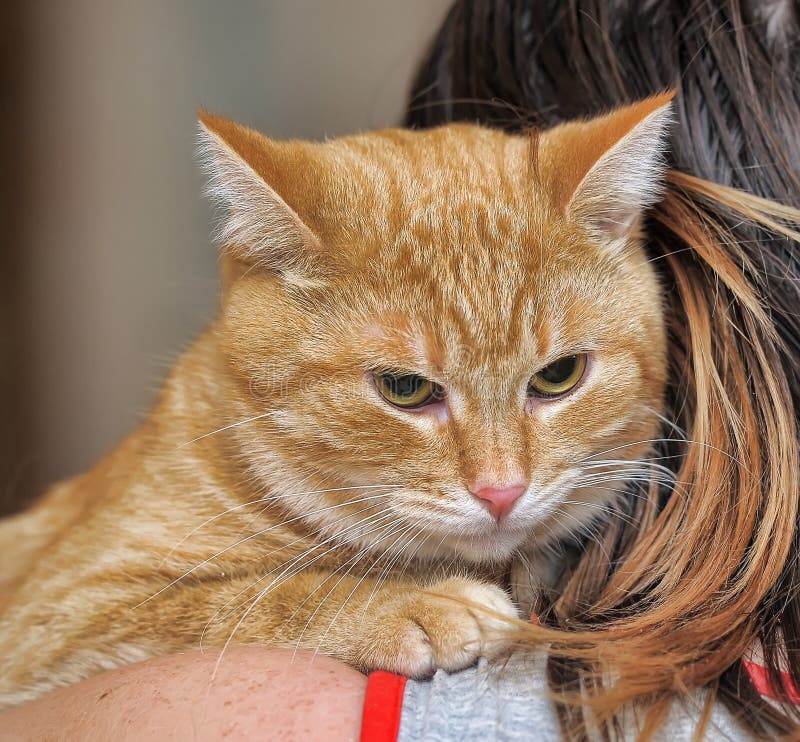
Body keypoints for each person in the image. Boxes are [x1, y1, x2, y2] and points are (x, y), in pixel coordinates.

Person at [2, 1, 799, 740]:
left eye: (553, 378)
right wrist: (321, 613)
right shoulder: (212, 466)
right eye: (409, 388)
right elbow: (35, 651)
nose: (500, 479)